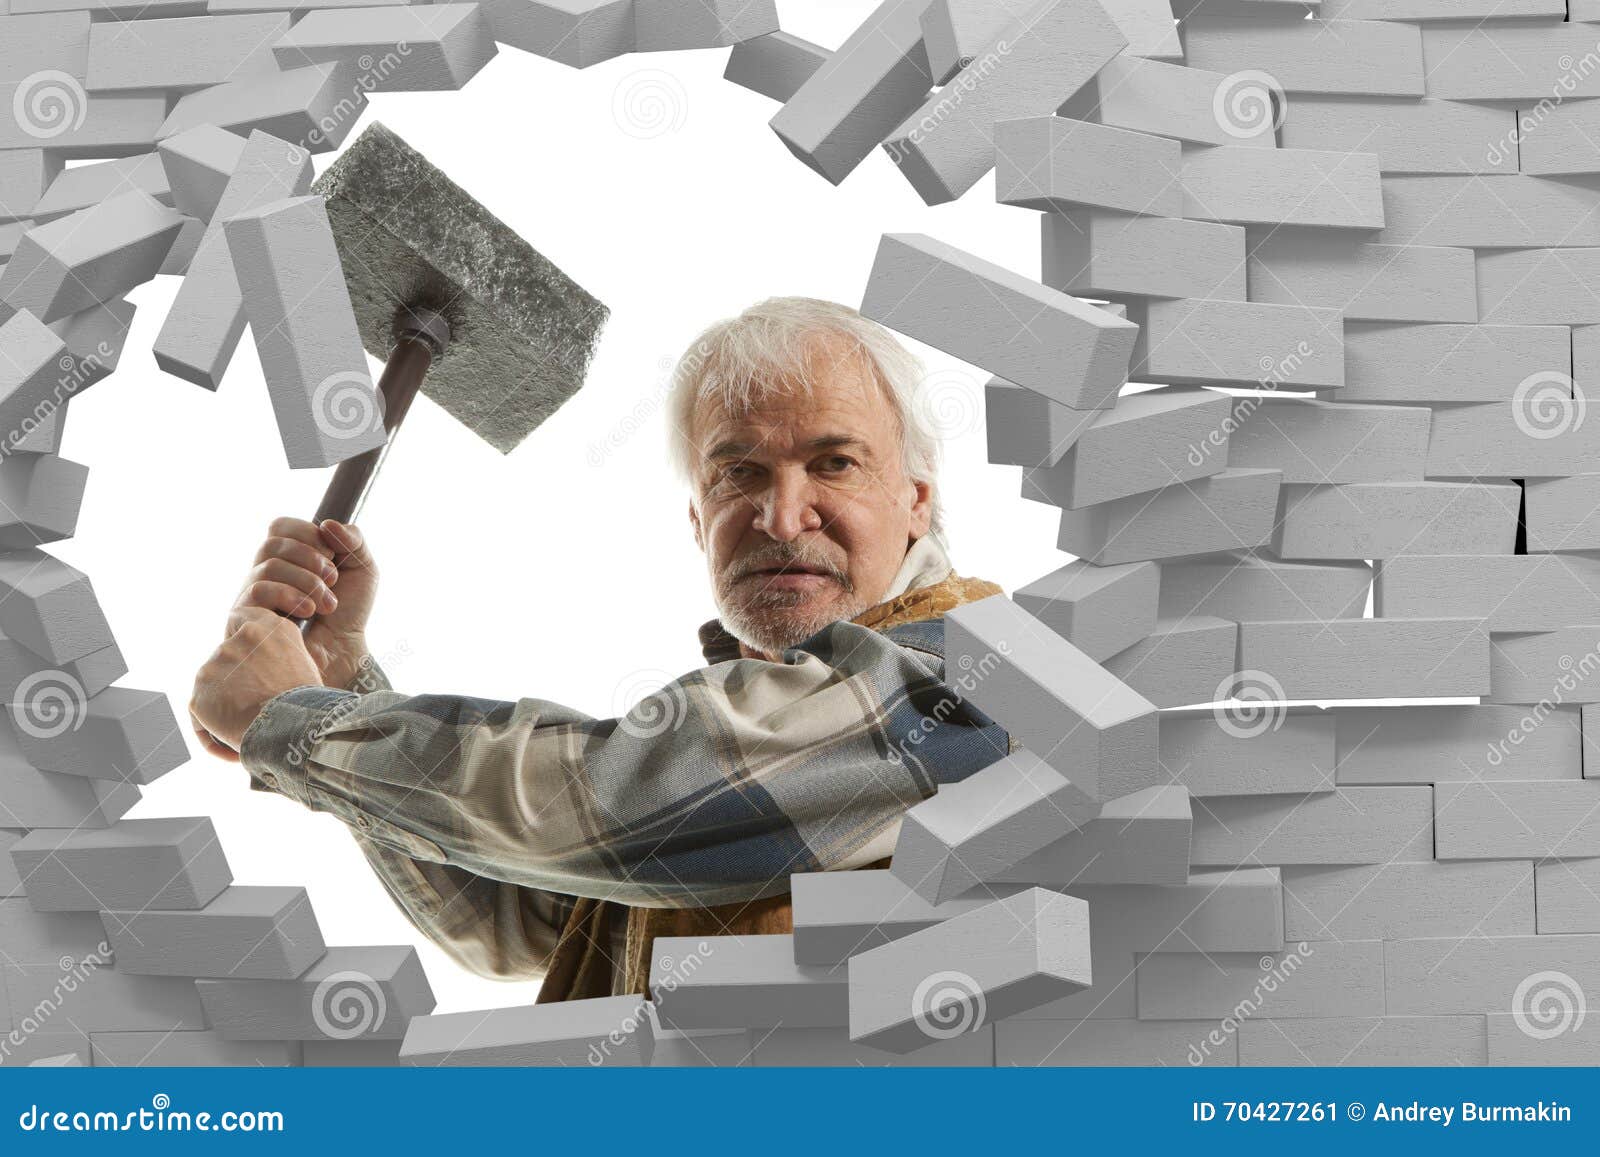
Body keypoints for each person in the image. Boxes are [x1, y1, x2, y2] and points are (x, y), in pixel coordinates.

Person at [190, 297, 1011, 1001]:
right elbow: (516, 914)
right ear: (696, 518)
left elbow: (625, 798)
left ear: (915, 500)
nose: (782, 513)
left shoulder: (972, 667)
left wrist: (297, 722)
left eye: (834, 462)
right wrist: (342, 671)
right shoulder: (740, 743)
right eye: (738, 473)